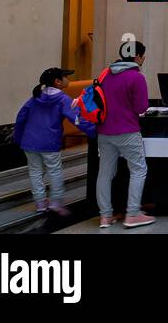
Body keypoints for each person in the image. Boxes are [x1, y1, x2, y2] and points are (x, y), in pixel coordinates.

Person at [13, 67, 94, 217]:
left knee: (35, 172)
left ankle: (40, 203)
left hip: (29, 142)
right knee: (54, 171)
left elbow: (21, 118)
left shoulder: (34, 98)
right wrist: (93, 131)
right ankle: (56, 202)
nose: (67, 79)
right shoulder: (63, 99)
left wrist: (18, 138)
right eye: (65, 76)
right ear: (57, 82)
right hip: (49, 142)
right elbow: (76, 118)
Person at [96, 39, 155, 229]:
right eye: (143, 56)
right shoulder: (136, 77)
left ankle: (105, 216)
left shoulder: (106, 75)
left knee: (105, 173)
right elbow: (141, 107)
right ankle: (132, 213)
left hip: (104, 130)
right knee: (138, 169)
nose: (143, 59)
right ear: (137, 57)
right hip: (127, 129)